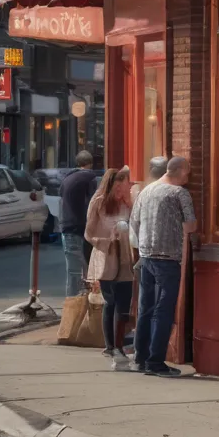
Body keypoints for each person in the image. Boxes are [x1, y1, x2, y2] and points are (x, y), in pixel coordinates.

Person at [129, 156, 196, 377]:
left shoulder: (146, 191)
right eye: (187, 172)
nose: (188, 177)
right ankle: (155, 361)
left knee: (145, 309)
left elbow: (135, 221)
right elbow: (190, 225)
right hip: (168, 258)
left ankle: (140, 358)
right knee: (163, 310)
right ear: (179, 171)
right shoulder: (179, 193)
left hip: (146, 256)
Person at [85, 167, 135, 371]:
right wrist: (107, 240)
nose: (122, 189)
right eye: (118, 185)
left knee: (123, 304)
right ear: (110, 184)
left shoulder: (127, 203)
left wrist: (130, 204)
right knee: (111, 301)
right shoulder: (99, 203)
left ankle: (118, 346)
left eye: (125, 185)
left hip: (126, 256)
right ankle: (112, 346)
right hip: (107, 256)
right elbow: (88, 234)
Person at [60, 151, 98, 298]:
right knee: (80, 271)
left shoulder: (67, 178)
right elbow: (93, 204)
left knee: (74, 270)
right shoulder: (90, 178)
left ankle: (74, 304)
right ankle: (75, 305)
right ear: (91, 163)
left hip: (67, 226)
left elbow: (62, 199)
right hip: (79, 227)